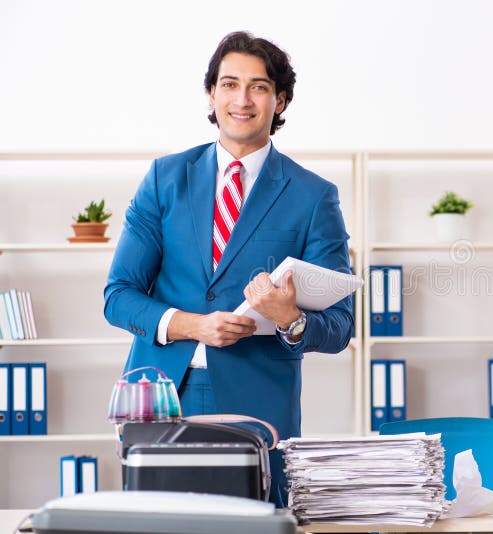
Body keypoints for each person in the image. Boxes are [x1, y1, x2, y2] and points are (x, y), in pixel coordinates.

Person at [104, 31, 354, 506]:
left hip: (257, 404)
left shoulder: (313, 196)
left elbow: (341, 326)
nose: (242, 99)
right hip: (161, 396)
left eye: (259, 87)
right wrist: (194, 325)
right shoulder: (165, 178)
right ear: (212, 94)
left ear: (280, 101)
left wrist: (290, 318)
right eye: (229, 84)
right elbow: (118, 295)